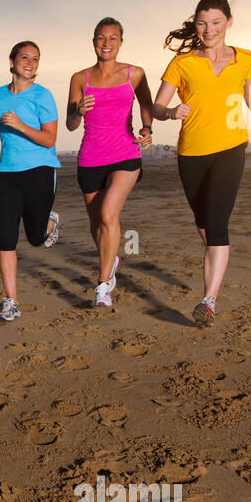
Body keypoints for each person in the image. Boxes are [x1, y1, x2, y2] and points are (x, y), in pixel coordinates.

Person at [152, 0, 251, 325]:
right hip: (192, 153)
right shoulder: (182, 63)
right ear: (196, 25)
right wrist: (170, 112)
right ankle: (214, 260)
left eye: (216, 23)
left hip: (231, 148)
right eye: (202, 23)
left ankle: (208, 301)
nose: (209, 30)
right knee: (205, 225)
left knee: (218, 225)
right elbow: (156, 107)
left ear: (229, 23)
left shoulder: (245, 58)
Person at [0, 40, 61, 321]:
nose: (30, 62)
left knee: (35, 238)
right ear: (12, 62)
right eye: (24, 57)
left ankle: (49, 222)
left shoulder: (43, 96)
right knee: (6, 239)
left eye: (35, 58)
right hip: (6, 174)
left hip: (40, 170)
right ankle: (11, 302)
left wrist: (21, 124)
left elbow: (50, 139)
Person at [65, 17, 154, 307]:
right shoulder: (80, 78)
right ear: (93, 42)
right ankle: (111, 259)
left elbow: (146, 105)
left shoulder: (135, 74)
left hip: (126, 154)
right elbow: (70, 124)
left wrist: (147, 129)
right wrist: (78, 110)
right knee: (96, 225)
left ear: (121, 42)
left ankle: (103, 285)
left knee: (107, 214)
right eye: (101, 38)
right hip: (91, 157)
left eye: (112, 38)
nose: (106, 43)